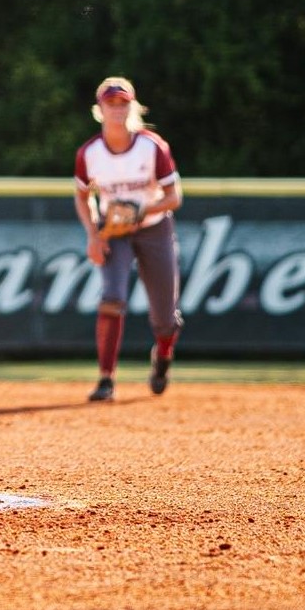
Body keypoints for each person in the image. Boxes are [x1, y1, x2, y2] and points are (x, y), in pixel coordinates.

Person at [74, 76, 184, 402]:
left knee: (165, 317)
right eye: (111, 103)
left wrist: (141, 209)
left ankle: (162, 357)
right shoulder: (90, 153)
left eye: (123, 103)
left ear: (132, 107)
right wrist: (93, 235)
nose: (117, 109)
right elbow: (82, 196)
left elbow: (174, 196)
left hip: (153, 227)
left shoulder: (152, 146)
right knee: (112, 297)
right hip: (114, 231)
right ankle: (106, 379)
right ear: (100, 109)